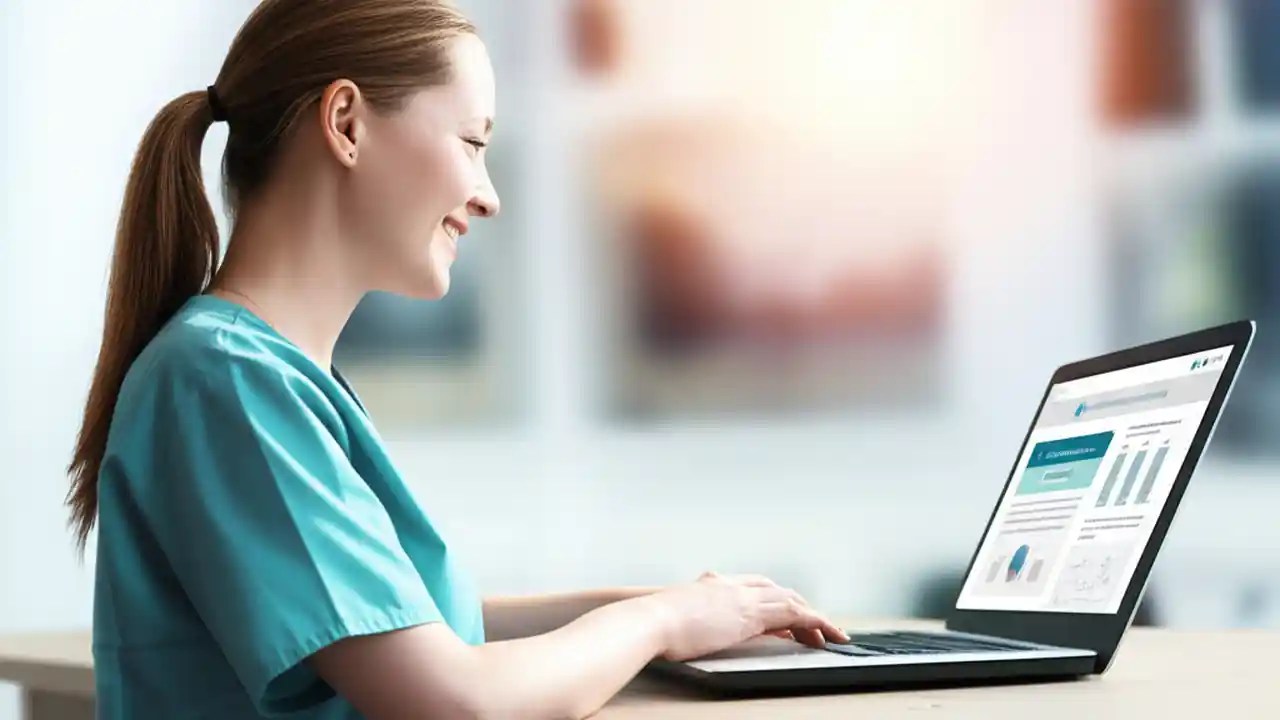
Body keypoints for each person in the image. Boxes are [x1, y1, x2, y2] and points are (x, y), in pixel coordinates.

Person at [66, 1, 848, 718]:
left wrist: (682, 609)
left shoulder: (260, 376)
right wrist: (660, 620)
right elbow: (454, 700)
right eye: (473, 143)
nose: (488, 195)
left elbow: (424, 632)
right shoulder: (225, 382)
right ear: (345, 123)